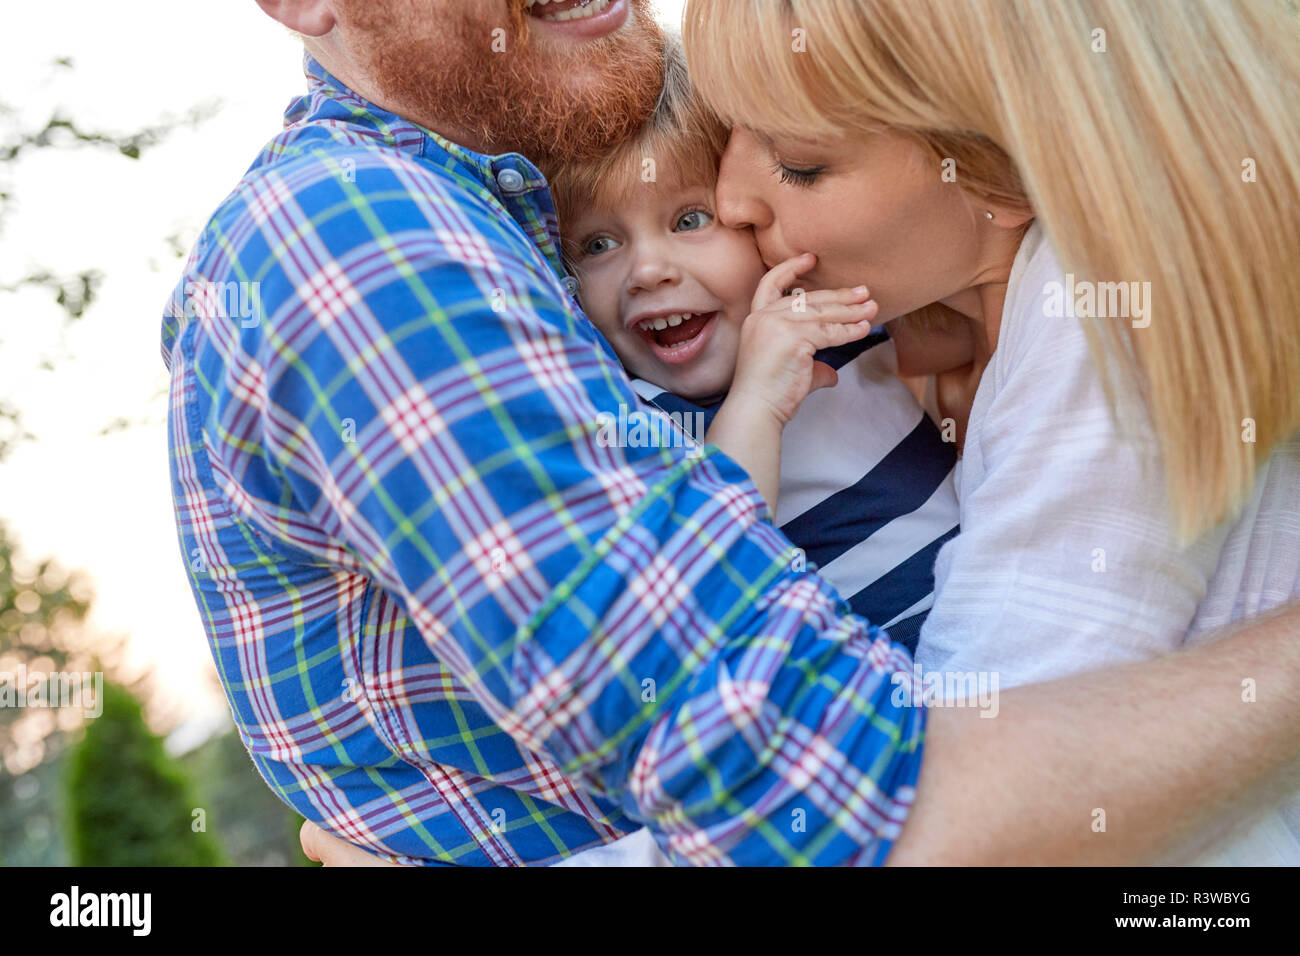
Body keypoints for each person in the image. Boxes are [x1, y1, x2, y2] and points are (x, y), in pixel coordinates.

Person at [173, 0, 1300, 869]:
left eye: (782, 167)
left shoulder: (1047, 322)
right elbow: (858, 804)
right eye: (599, 244)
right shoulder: (366, 238)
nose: (745, 206)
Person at [683, 0, 1300, 863]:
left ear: (1002, 177)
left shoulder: (1095, 321)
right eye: (729, 133)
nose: (730, 198)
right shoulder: (1002, 315)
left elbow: (984, 760)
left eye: (800, 165)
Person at [550, 37, 960, 654]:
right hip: (873, 685)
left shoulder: (831, 314)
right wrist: (757, 403)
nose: (647, 272)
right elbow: (718, 568)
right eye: (598, 246)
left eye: (690, 220)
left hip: (990, 616)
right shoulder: (640, 414)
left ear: (753, 221)